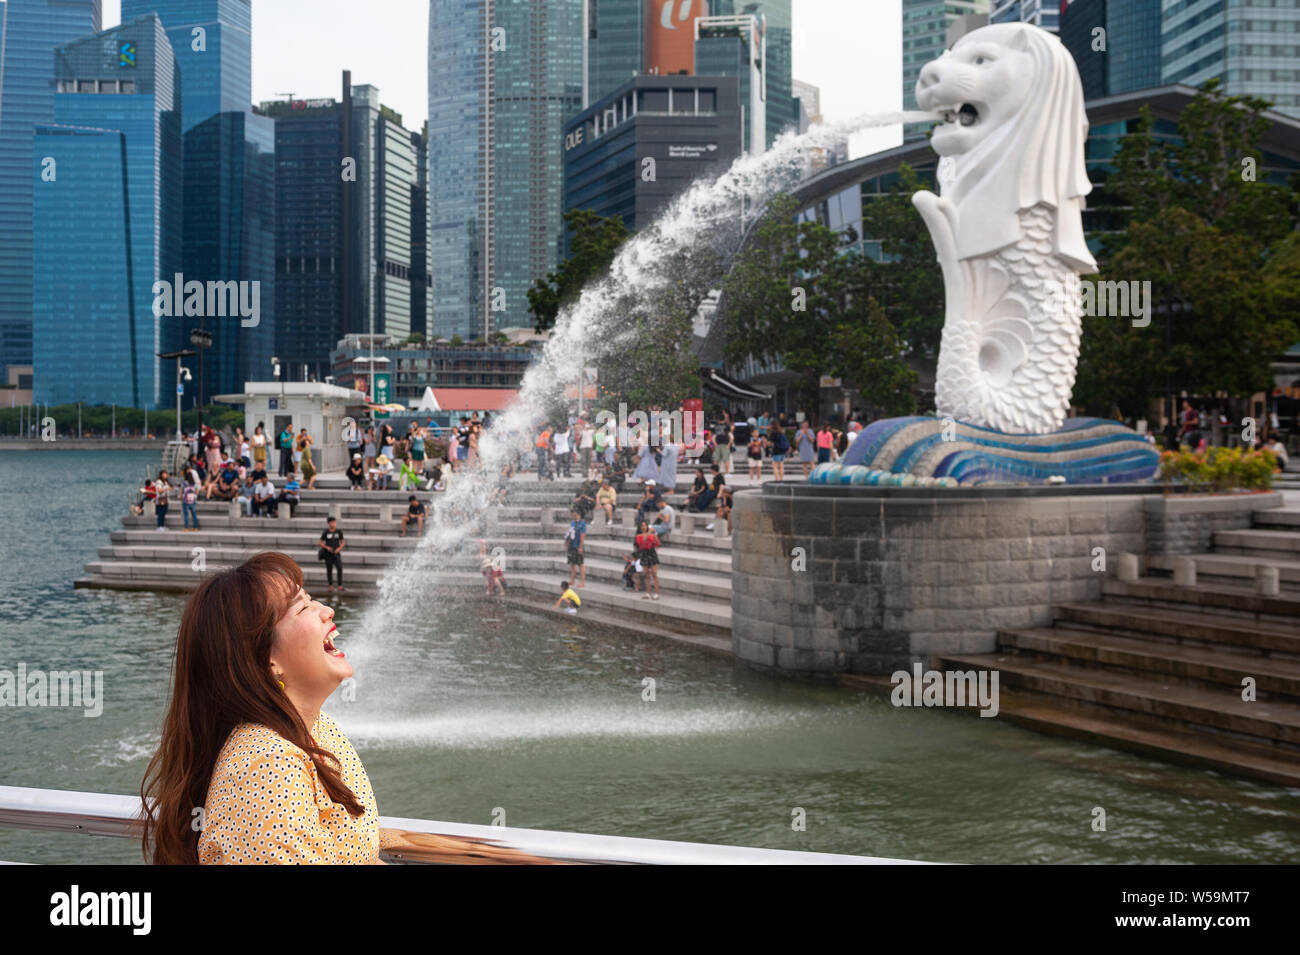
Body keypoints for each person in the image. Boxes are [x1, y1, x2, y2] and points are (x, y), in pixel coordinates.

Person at [140, 552, 393, 864]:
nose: (327, 611)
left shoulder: (318, 728)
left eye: (312, 600)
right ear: (267, 661)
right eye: (303, 608)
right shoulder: (268, 762)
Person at [634, 521, 660, 600]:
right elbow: (642, 543)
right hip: (644, 554)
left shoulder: (651, 534)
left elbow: (657, 544)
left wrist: (655, 536)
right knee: (646, 575)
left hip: (652, 553)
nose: (644, 527)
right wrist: (649, 532)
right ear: (640, 527)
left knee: (654, 573)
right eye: (642, 526)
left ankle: (656, 593)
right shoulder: (638, 536)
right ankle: (648, 593)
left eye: (645, 526)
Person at [319, 517, 345, 592]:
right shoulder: (326, 532)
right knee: (329, 570)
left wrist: (339, 549)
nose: (333, 523)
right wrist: (327, 548)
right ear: (329, 523)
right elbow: (320, 542)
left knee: (339, 568)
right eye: (331, 522)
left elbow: (342, 542)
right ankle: (331, 586)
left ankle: (340, 586)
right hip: (328, 554)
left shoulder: (339, 531)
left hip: (336, 553)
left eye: (334, 522)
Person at [565, 508, 587, 588]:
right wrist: (566, 542)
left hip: (577, 546)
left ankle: (582, 582)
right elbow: (569, 533)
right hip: (572, 546)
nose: (572, 515)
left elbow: (582, 537)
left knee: (580, 564)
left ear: (577, 514)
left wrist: (580, 547)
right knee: (572, 564)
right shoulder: (573, 523)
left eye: (573, 513)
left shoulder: (582, 524)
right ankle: (572, 580)